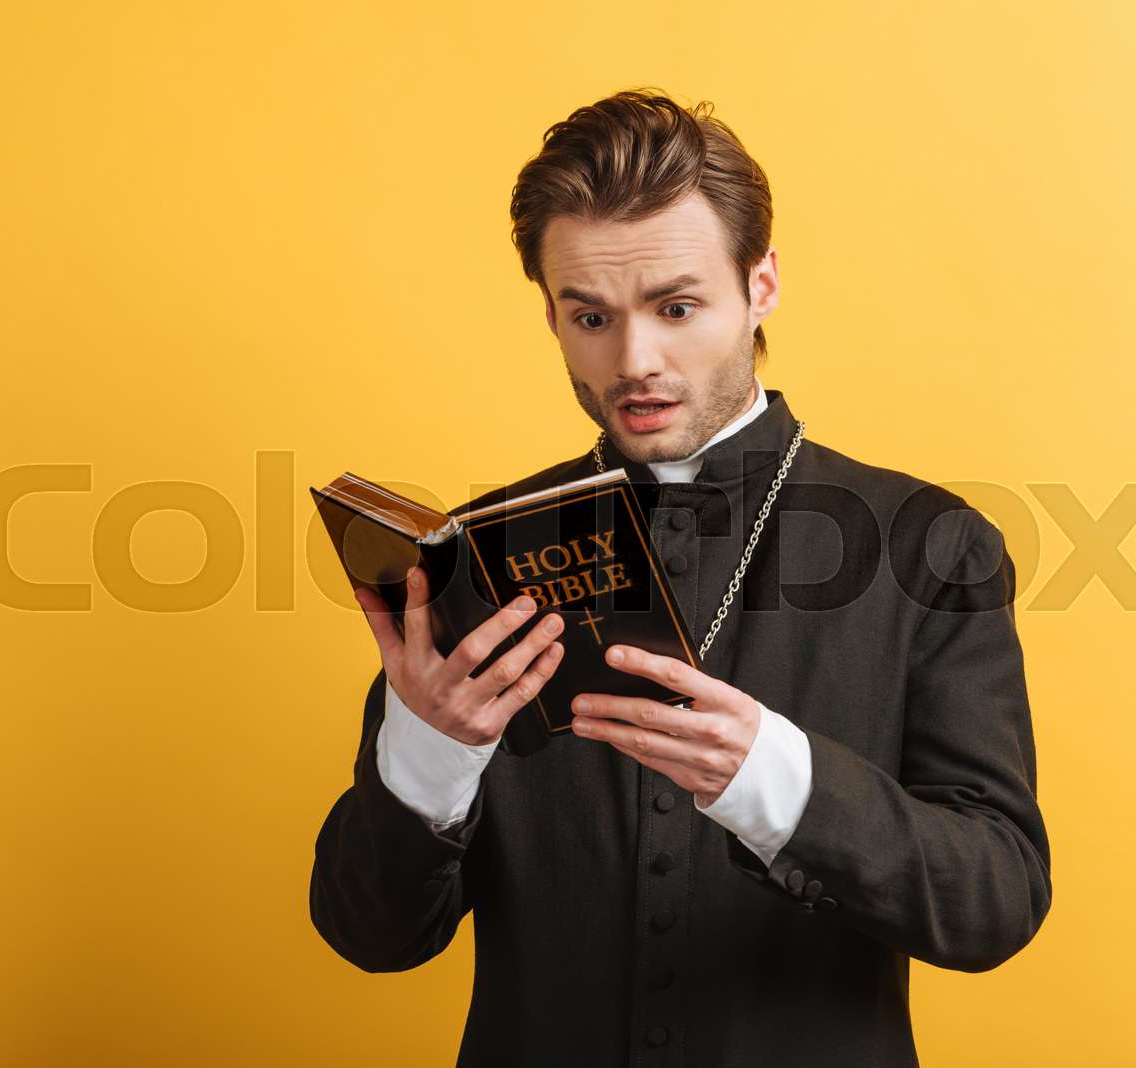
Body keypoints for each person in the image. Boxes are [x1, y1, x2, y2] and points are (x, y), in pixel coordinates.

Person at [310, 88, 1052, 1067]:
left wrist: (775, 781)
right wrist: (427, 750)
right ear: (551, 313)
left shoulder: (929, 544)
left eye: (676, 306)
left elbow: (994, 901)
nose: (633, 361)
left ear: (762, 285)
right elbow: (372, 938)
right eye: (589, 316)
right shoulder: (481, 558)